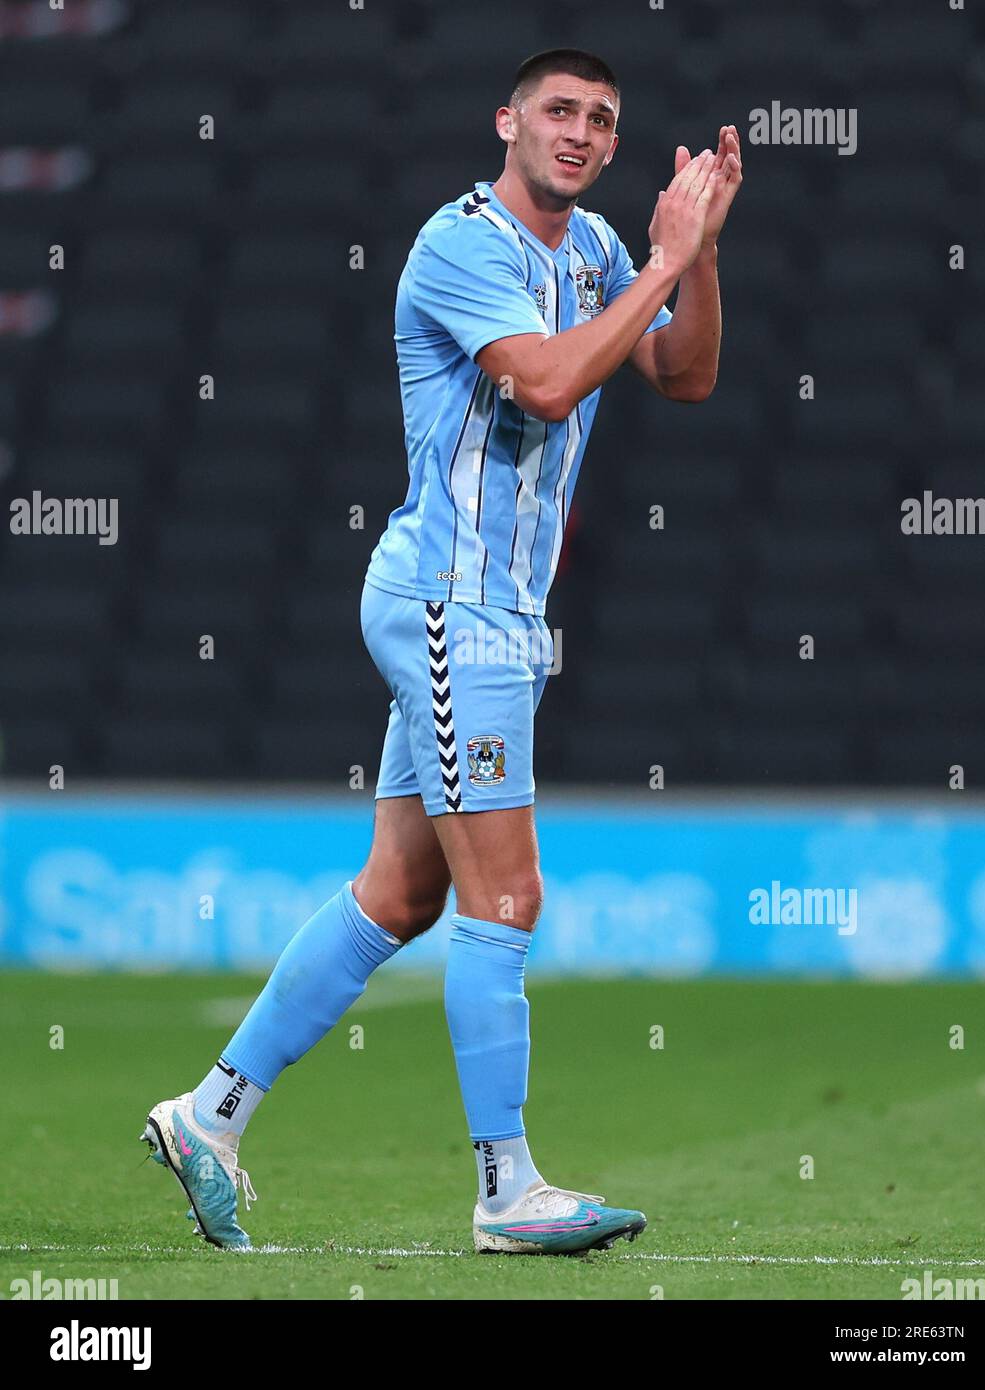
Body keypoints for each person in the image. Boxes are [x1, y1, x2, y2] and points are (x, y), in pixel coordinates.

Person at [141, 47, 742, 1256]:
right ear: (508, 122)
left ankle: (207, 1116)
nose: (578, 132)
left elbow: (682, 372)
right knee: (505, 896)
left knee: (403, 893)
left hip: (496, 614)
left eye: (601, 120)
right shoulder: (460, 244)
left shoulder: (596, 253)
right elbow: (552, 385)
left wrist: (701, 255)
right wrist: (666, 263)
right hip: (447, 606)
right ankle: (505, 1188)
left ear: (617, 147)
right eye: (557, 111)